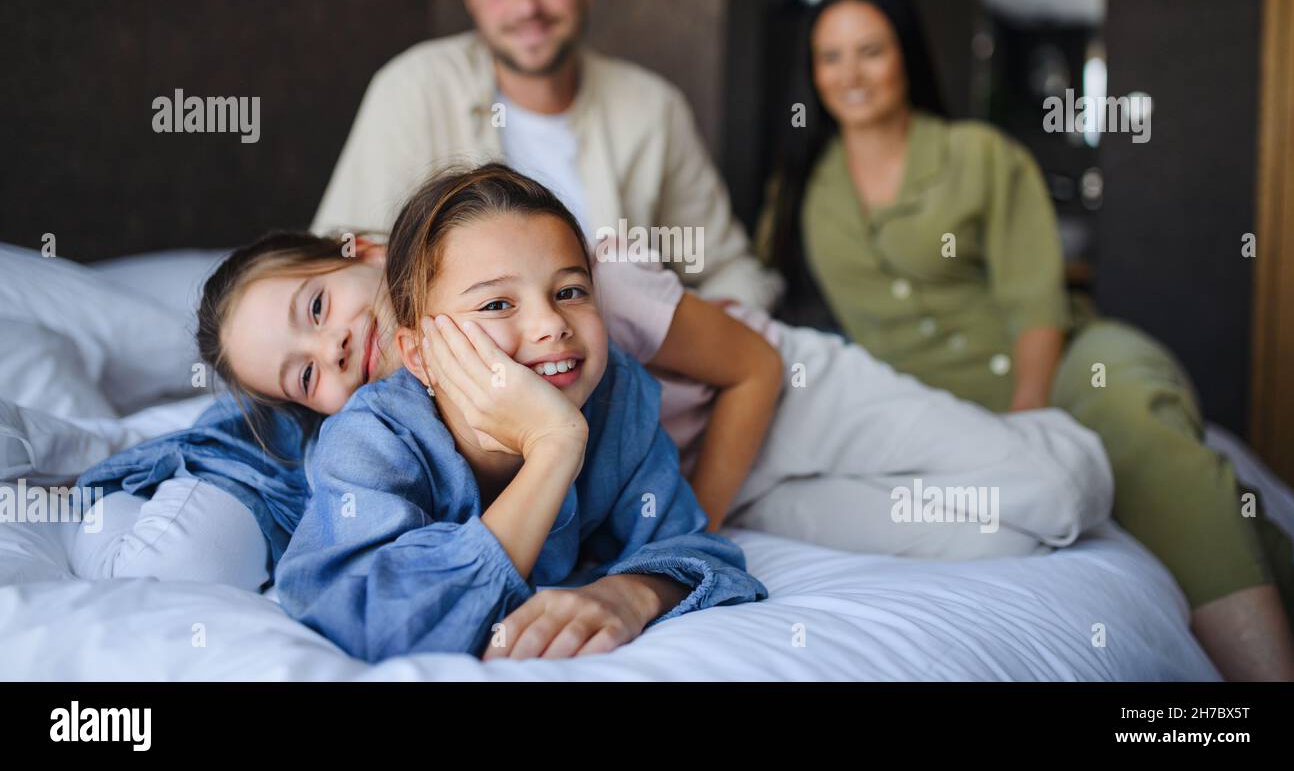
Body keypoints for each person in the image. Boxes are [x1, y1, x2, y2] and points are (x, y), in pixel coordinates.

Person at [74, 162, 1111, 593]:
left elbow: (749, 366)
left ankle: (1058, 434)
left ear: (355, 250)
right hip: (723, 487)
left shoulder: (559, 282)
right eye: (302, 377)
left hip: (783, 396)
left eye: (316, 311)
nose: (332, 354)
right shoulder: (406, 416)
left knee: (1053, 493)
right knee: (988, 533)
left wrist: (684, 534)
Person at [757, 0, 1294, 681]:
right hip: (936, 405)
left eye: (871, 51)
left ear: (907, 57)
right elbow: (758, 287)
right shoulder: (803, 187)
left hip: (1066, 361)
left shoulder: (980, 156)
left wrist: (1028, 426)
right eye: (830, 56)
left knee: (1141, 428)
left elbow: (1036, 303)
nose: (850, 74)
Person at [275, 165, 766, 660]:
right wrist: (553, 447)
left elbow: (692, 545)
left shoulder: (617, 391)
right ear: (420, 354)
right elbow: (378, 622)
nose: (551, 324)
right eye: (496, 304)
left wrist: (631, 593)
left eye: (570, 292)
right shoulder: (369, 441)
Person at [311, 0, 780, 310]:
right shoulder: (411, 88)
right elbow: (342, 261)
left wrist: (718, 347)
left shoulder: (653, 107)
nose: (527, 6)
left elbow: (728, 267)